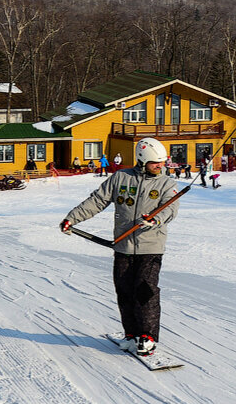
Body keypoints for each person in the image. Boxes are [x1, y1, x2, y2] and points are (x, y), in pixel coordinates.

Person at [60, 137, 180, 358]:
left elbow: (170, 209)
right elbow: (97, 200)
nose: (160, 166)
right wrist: (72, 219)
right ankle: (131, 334)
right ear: (142, 160)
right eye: (155, 162)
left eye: (162, 162)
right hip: (123, 246)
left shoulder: (166, 184)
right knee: (124, 290)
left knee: (145, 291)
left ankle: (148, 337)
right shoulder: (121, 178)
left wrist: (155, 220)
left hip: (150, 247)